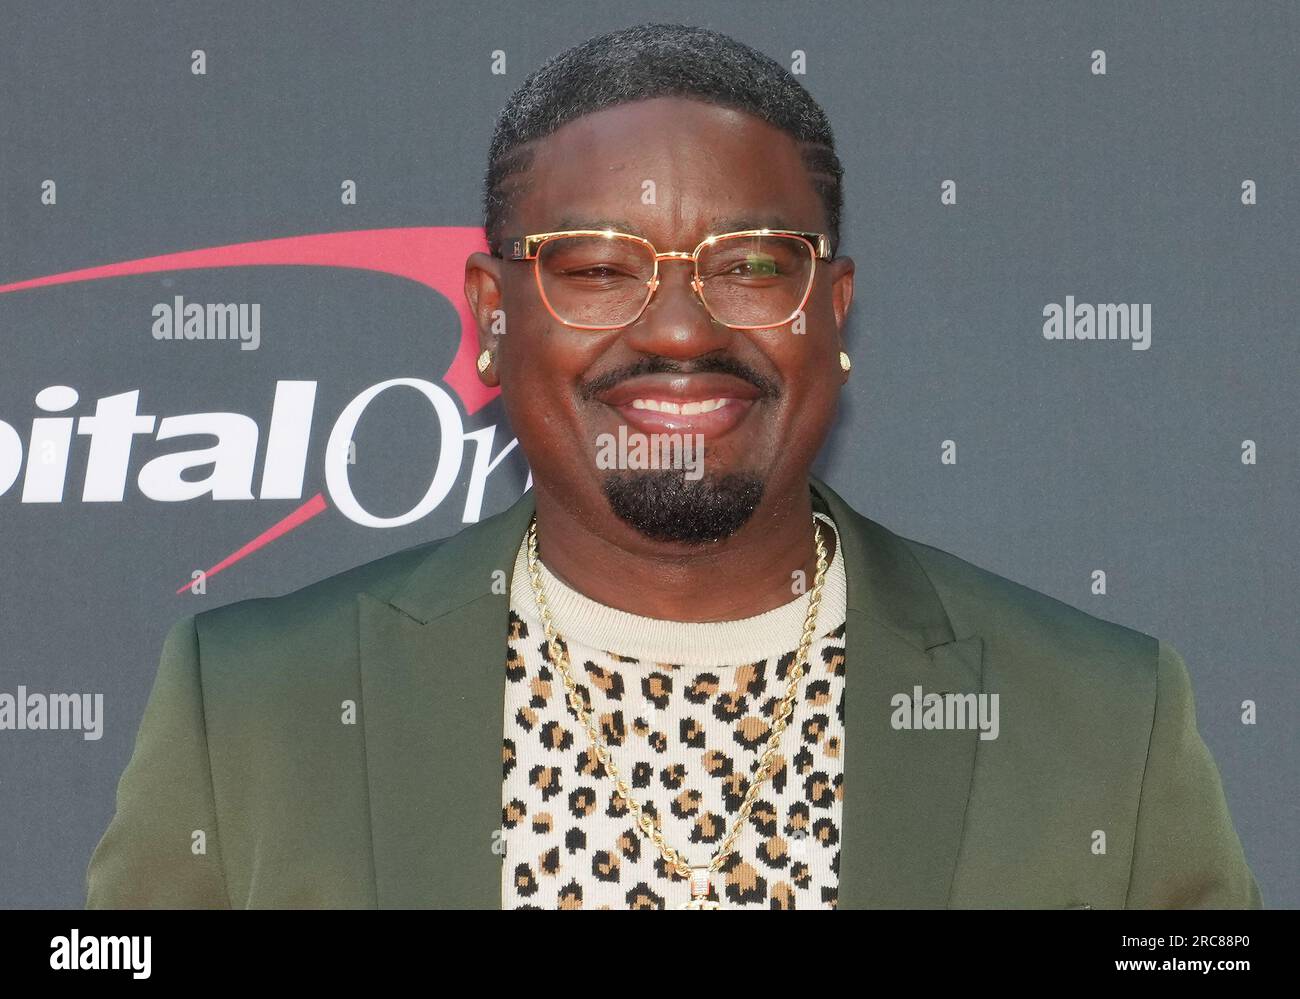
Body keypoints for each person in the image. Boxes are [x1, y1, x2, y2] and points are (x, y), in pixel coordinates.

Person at [85, 22, 1261, 910]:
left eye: (750, 264)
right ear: (494, 318)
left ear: (831, 311)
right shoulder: (249, 714)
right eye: (596, 267)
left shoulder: (1102, 721)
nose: (683, 329)